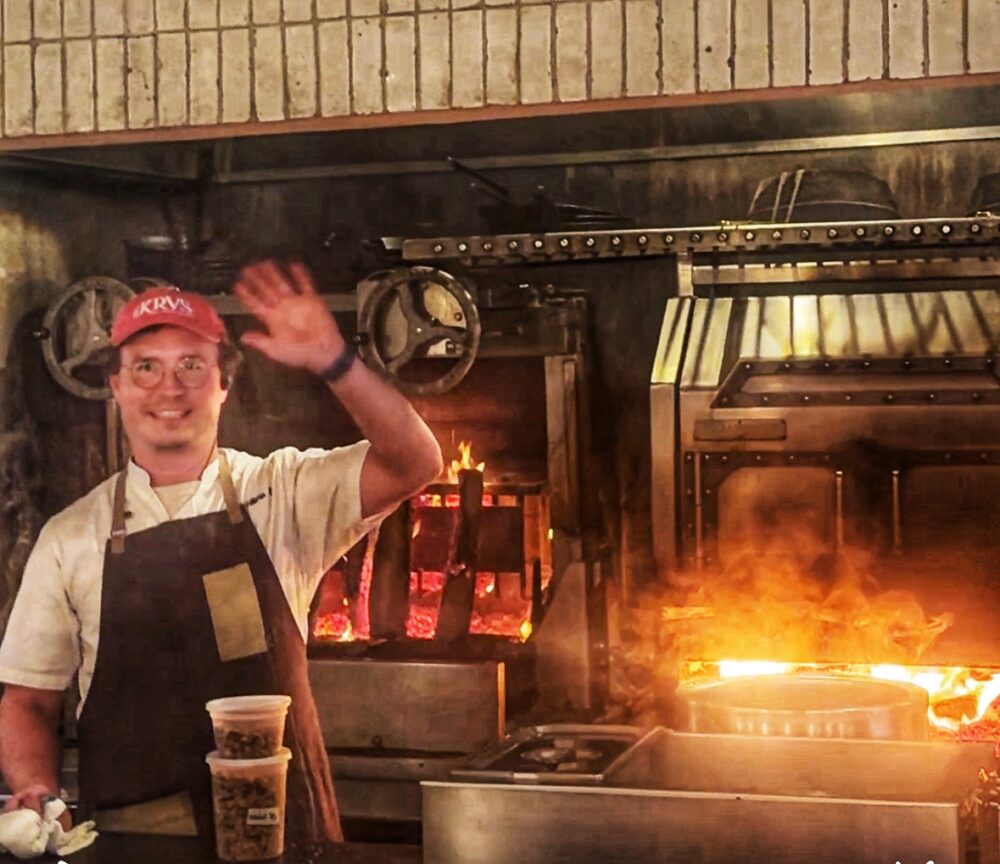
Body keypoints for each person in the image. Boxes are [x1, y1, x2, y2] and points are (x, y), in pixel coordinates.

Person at [0, 261, 443, 846]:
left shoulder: (282, 492)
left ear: (223, 383)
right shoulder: (71, 535)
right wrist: (38, 789)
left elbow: (416, 462)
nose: (169, 387)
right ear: (116, 386)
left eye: (191, 365)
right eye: (146, 368)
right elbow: (29, 699)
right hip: (140, 843)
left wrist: (334, 361)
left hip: (283, 834)